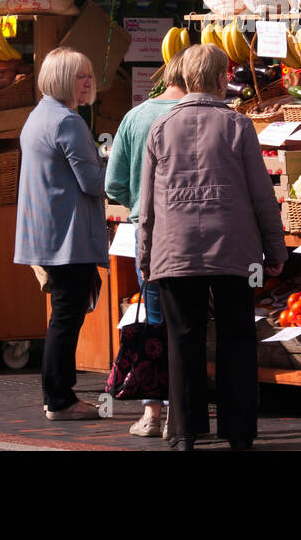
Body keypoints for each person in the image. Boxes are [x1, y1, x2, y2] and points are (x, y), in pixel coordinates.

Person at [139, 43, 287, 450]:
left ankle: (185, 431)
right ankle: (238, 432)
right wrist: (275, 251)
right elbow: (262, 197)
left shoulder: (160, 128)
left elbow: (147, 204)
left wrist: (145, 256)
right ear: (222, 79)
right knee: (236, 338)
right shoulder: (238, 126)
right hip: (233, 251)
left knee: (182, 339)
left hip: (175, 249)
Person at [15, 46, 108, 421]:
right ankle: (60, 398)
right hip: (68, 237)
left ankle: (59, 393)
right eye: (79, 77)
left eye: (88, 75)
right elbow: (92, 181)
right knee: (67, 316)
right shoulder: (68, 121)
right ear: (60, 80)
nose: (86, 83)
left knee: (63, 314)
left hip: (47, 233)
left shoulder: (39, 116)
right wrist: (119, 164)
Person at [105, 54, 187, 438]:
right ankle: (182, 413)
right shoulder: (203, 114)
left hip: (149, 235)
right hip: (195, 236)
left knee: (155, 320)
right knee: (188, 323)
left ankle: (153, 414)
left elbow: (113, 183)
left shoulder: (136, 117)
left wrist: (137, 203)